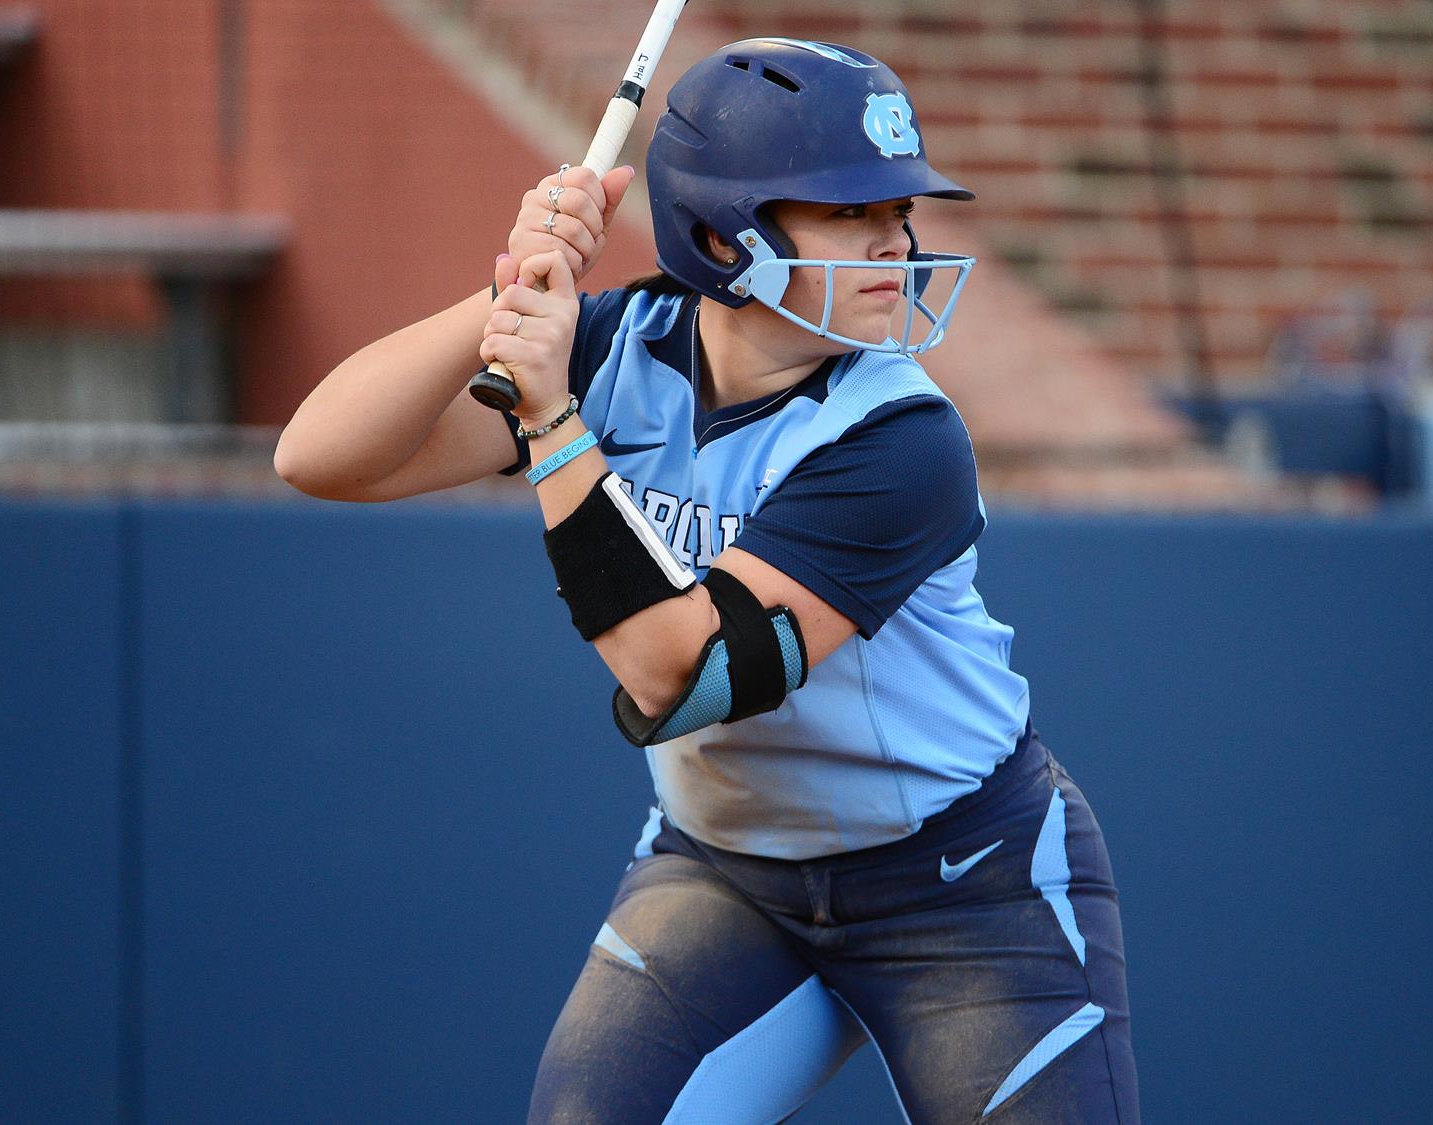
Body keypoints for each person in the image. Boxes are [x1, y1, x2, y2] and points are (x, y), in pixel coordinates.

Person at [276, 37, 1138, 1124]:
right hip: (728, 872)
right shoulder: (615, 345)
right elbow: (319, 455)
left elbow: (677, 671)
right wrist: (508, 293)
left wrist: (547, 423)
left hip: (963, 883)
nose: (895, 244)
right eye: (848, 213)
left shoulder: (903, 439)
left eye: (896, 211)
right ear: (721, 235)